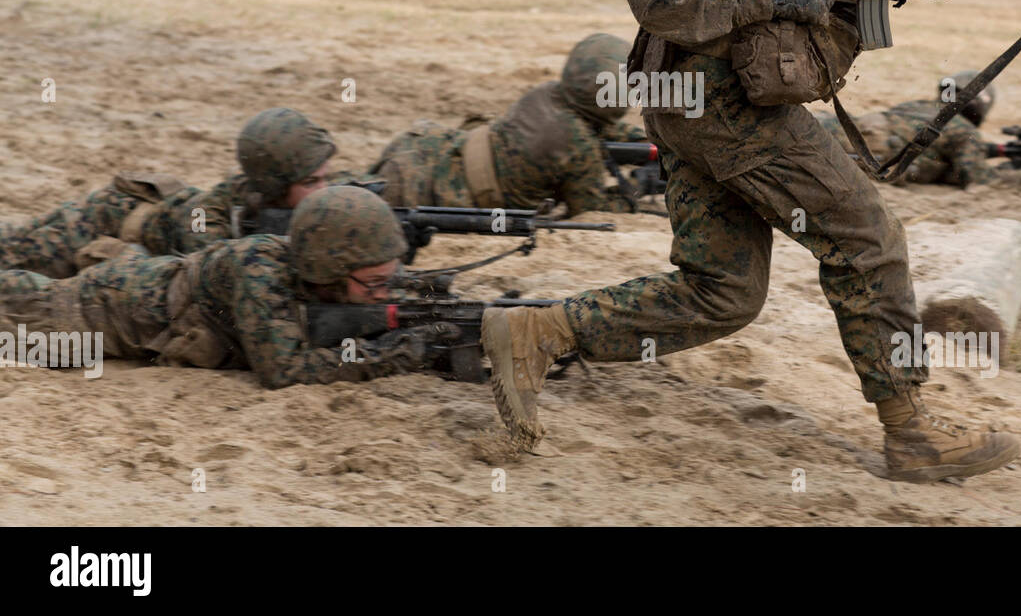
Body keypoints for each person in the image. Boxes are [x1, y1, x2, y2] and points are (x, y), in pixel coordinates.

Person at [479, 0, 1020, 482]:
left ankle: (540, 333)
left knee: (723, 291)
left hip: (713, 104)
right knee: (868, 239)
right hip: (716, 103)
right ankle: (912, 434)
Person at [0, 186, 452, 388]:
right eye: (375, 283)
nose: (386, 292)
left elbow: (381, 306)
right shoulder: (259, 269)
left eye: (391, 278)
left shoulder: (326, 273)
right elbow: (286, 372)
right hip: (91, 312)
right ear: (329, 269)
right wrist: (398, 353)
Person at [0, 108, 336, 278]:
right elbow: (199, 278)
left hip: (139, 209)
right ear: (275, 185)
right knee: (12, 254)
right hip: (102, 220)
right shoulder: (209, 218)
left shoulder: (270, 200)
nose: (323, 192)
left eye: (323, 179)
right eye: (311, 183)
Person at [371, 33, 647, 216]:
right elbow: (590, 211)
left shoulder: (548, 94)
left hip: (422, 149)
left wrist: (645, 145)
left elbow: (595, 124)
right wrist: (637, 190)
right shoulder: (579, 147)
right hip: (427, 193)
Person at [817, 71, 1003, 188]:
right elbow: (978, 178)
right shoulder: (964, 129)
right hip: (848, 152)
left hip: (834, 128)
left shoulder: (915, 106)